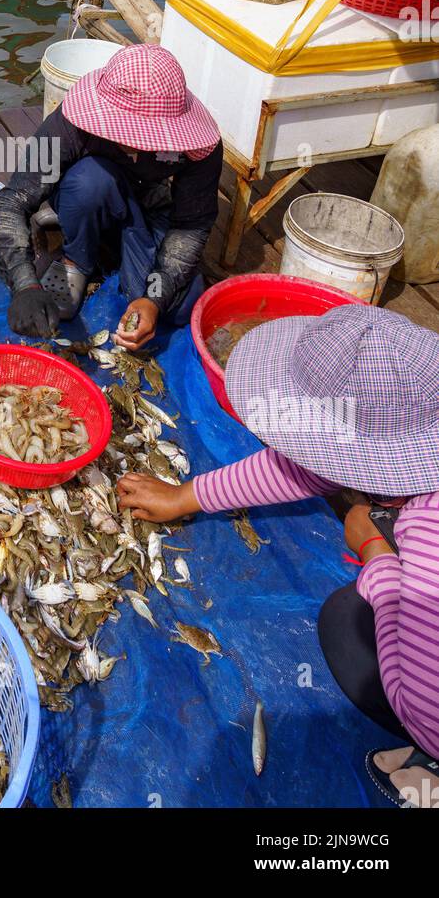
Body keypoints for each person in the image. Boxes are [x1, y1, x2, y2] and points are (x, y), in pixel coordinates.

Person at [117, 306, 439, 809]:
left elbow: (421, 702)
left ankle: (431, 773)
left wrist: (377, 556)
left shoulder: (427, 533)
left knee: (346, 624)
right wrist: (186, 496)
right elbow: (311, 465)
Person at [0, 44, 222, 347]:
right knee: (91, 180)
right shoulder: (70, 125)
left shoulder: (198, 146)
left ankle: (127, 262)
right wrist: (24, 285)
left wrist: (153, 299)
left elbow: (191, 227)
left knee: (179, 307)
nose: (138, 142)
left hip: (145, 210)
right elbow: (12, 202)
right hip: (86, 195)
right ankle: (77, 259)